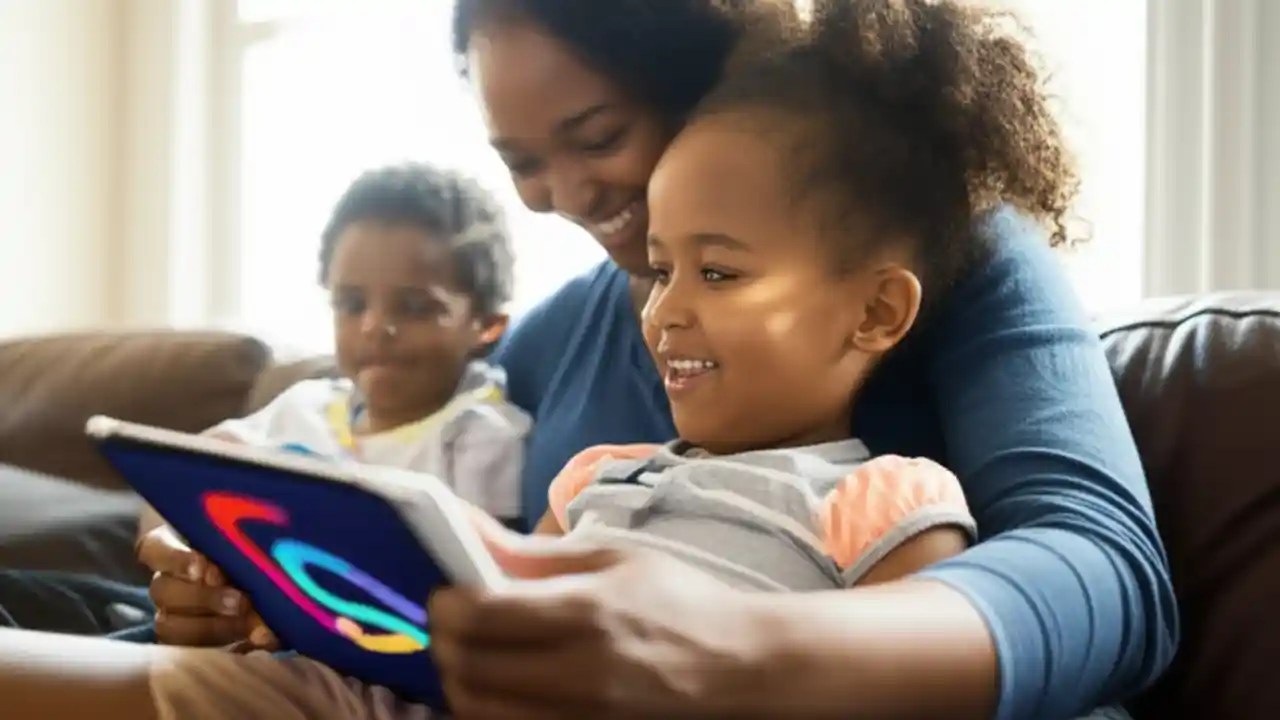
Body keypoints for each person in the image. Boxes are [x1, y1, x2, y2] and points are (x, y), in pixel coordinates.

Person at [0, 1, 1174, 719]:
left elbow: (1106, 573)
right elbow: (417, 524)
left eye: (596, 137)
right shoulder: (571, 324)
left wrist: (743, 652)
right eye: (521, 163)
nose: (566, 199)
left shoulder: (946, 243)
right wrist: (232, 574)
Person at [0, 161, 529, 642]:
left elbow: (475, 585)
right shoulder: (307, 406)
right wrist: (179, 553)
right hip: (200, 614)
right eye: (351, 303)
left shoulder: (477, 431)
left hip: (324, 646)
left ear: (487, 325)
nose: (375, 327)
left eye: (415, 307)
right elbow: (178, 480)